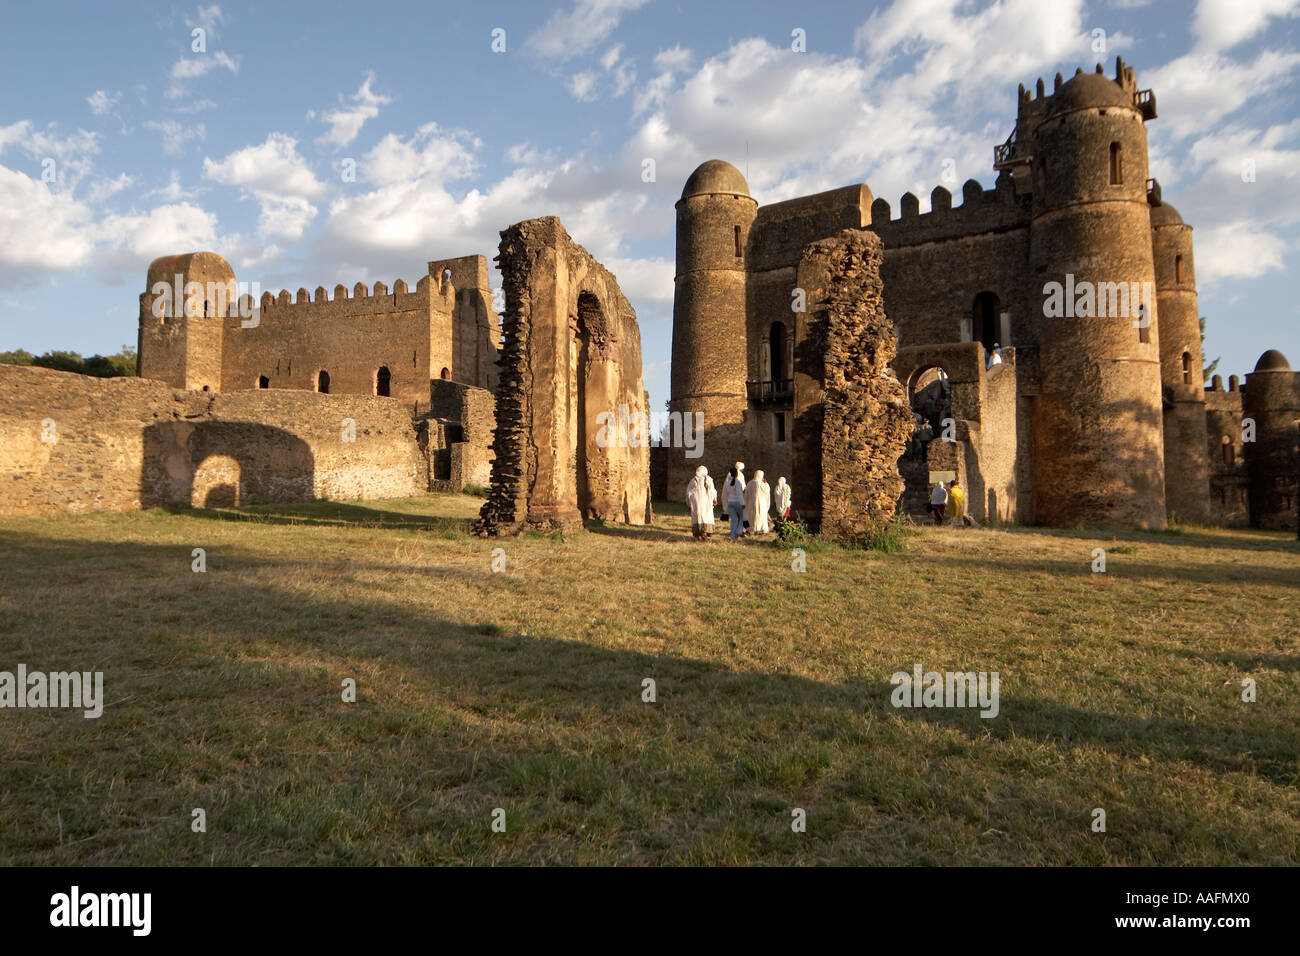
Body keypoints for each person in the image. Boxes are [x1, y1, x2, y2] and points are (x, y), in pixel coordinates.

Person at [686, 465, 717, 540]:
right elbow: (712, 491)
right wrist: (714, 499)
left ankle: (698, 534)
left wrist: (689, 503)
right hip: (707, 503)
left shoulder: (693, 480)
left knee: (698, 517)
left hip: (696, 503)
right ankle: (705, 532)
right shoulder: (709, 480)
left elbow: (688, 493)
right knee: (706, 517)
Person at [723, 465, 746, 541]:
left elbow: (726, 494)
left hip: (730, 502)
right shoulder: (737, 482)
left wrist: (726, 503)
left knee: (733, 519)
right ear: (736, 474)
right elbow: (739, 493)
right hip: (737, 502)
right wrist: (742, 503)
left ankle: (732, 536)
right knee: (742, 517)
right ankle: (739, 531)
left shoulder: (727, 483)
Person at [746, 470, 771, 534]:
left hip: (752, 504)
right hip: (762, 504)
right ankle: (761, 529)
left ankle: (752, 528)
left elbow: (746, 495)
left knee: (753, 517)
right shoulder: (764, 485)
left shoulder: (749, 483)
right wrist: (766, 484)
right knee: (761, 516)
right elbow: (767, 494)